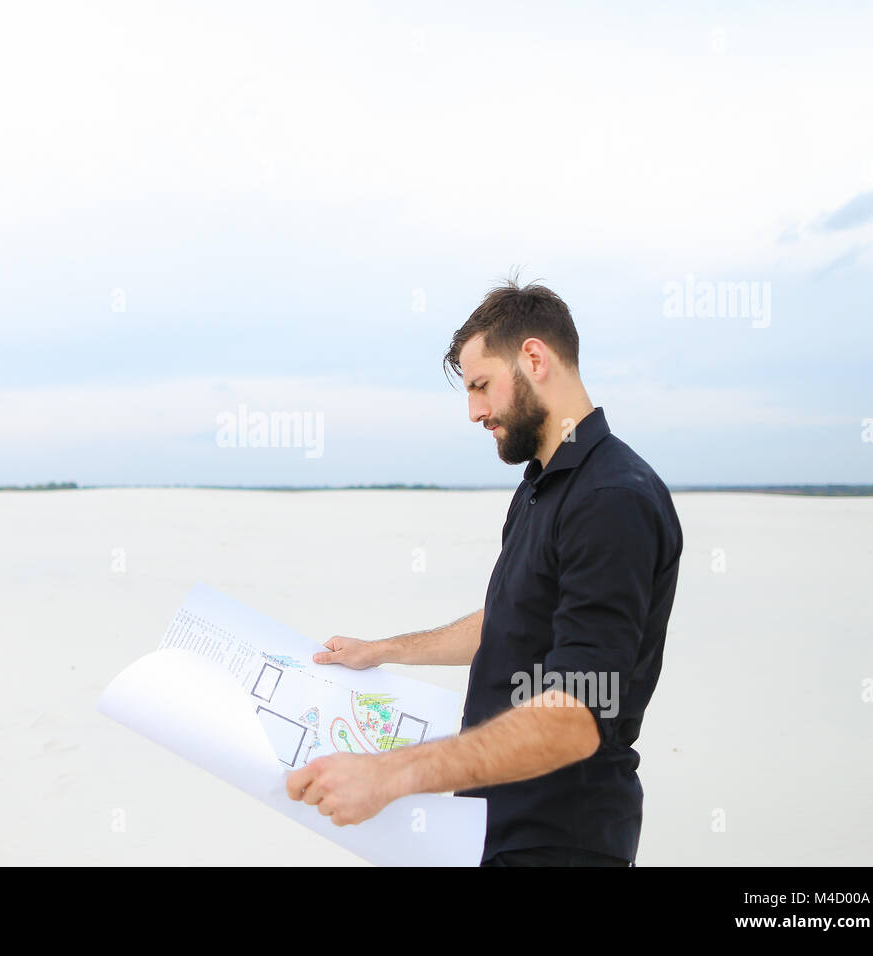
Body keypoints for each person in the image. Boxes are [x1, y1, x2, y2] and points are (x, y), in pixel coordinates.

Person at [285, 276, 683, 867]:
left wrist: (392, 775)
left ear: (534, 358)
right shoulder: (542, 487)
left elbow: (577, 716)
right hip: (495, 828)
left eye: (480, 386)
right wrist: (386, 649)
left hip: (562, 838)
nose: (474, 412)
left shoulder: (611, 498)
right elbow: (511, 621)